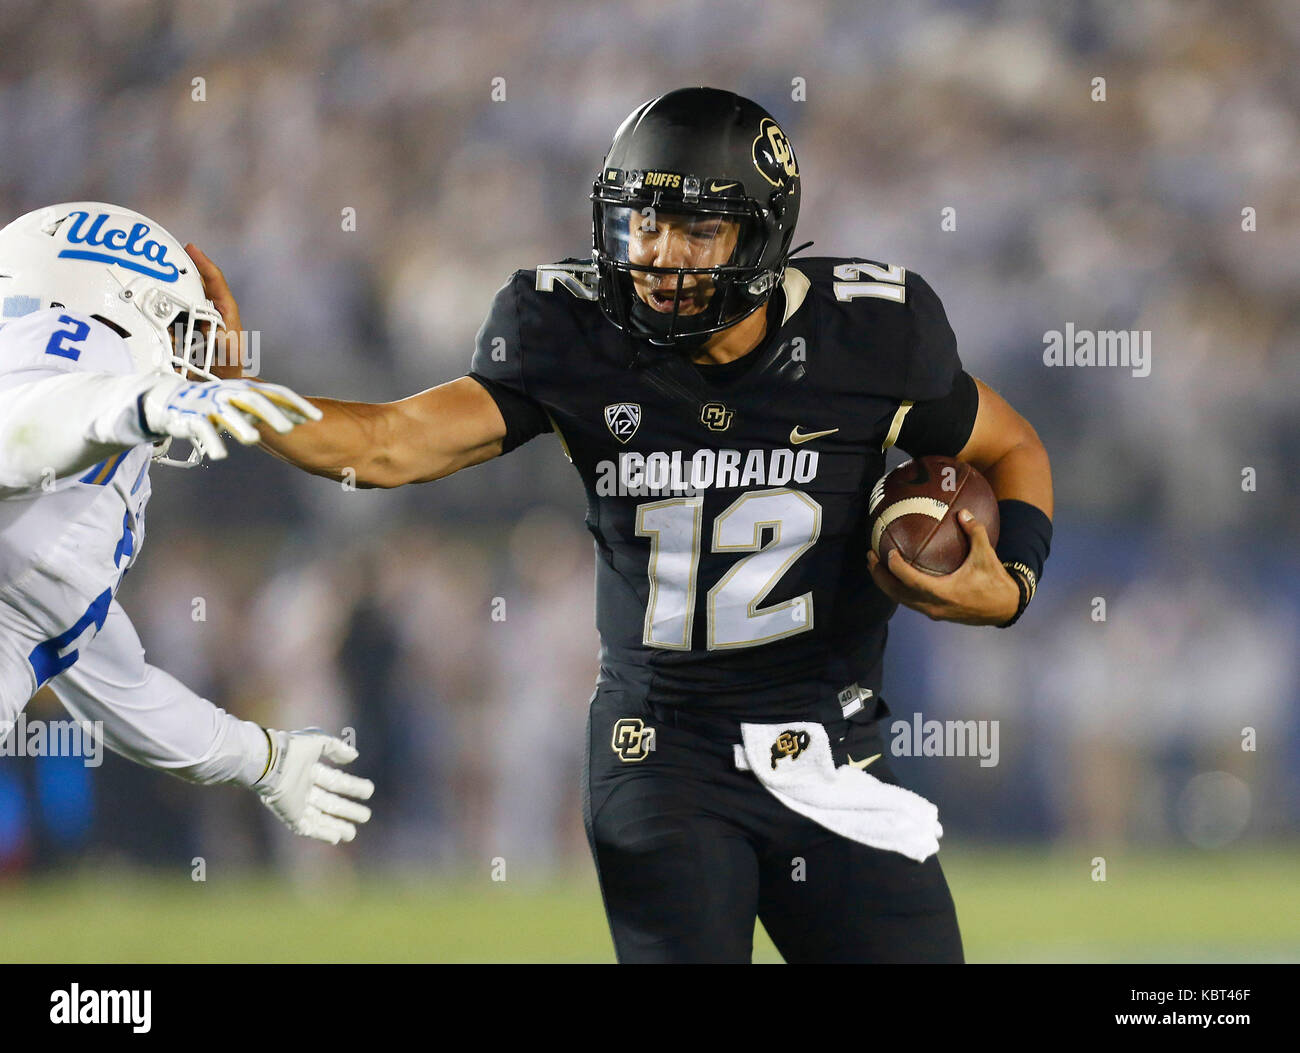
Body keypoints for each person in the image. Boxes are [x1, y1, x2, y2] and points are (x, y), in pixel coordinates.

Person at [195, 88, 1054, 960]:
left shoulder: (866, 334)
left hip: (829, 747)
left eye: (696, 229)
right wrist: (244, 399)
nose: (658, 256)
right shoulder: (571, 329)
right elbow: (391, 445)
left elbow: (1013, 443)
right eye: (642, 222)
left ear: (762, 236)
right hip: (662, 752)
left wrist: (1012, 577)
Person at [0, 202, 374, 845]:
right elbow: (18, 433)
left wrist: (262, 757)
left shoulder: (91, 463)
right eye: (178, 329)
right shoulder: (78, 350)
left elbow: (121, 688)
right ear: (112, 297)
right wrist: (134, 402)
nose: (192, 358)